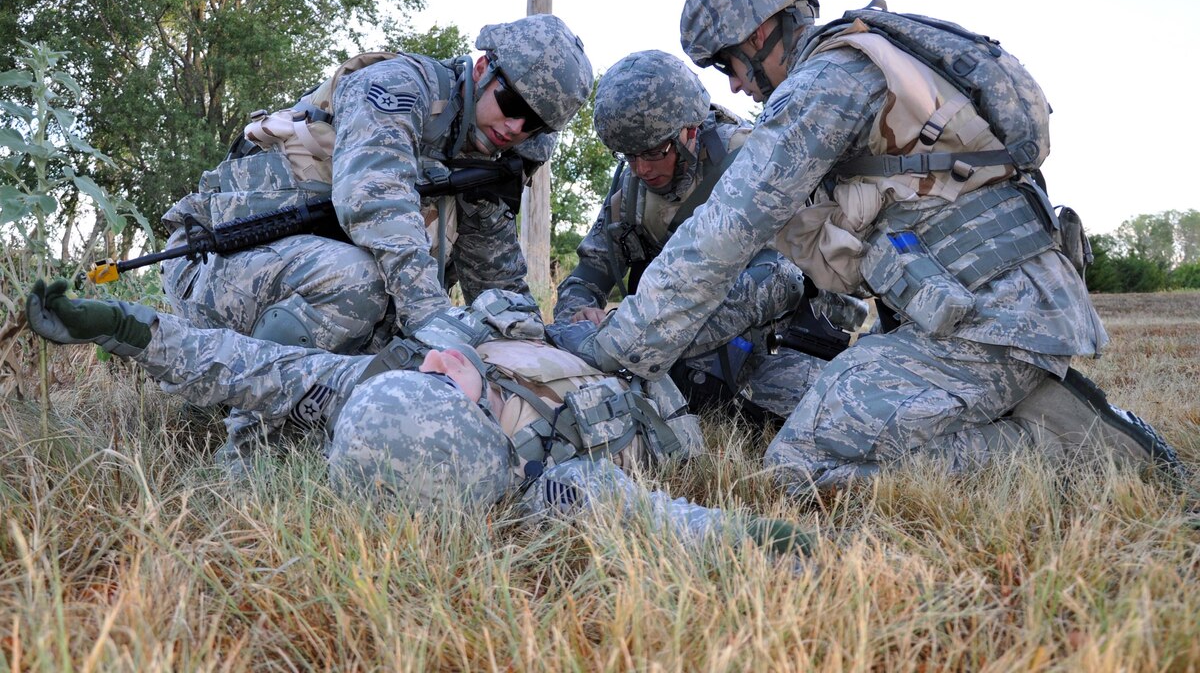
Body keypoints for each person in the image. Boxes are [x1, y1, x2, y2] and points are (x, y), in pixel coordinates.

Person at [548, 0, 1182, 494]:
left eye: (731, 63)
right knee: (821, 424)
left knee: (801, 468)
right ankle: (1029, 406)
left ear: (764, 31)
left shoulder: (823, 86)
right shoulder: (858, 68)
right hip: (984, 317)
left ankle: (1052, 453)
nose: (736, 87)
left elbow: (722, 233)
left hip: (985, 325)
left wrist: (616, 346)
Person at [25, 279, 810, 554]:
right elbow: (658, 519)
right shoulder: (548, 483)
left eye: (433, 374)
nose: (435, 361)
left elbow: (243, 365)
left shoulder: (380, 396)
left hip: (571, 335)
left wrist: (120, 327)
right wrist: (755, 536)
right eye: (445, 384)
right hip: (656, 379)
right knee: (733, 342)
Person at [160, 13, 593, 355]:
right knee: (367, 285)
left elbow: (496, 279)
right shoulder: (399, 87)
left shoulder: (483, 161)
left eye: (535, 124)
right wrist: (430, 316)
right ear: (482, 67)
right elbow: (372, 199)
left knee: (438, 346)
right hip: (215, 263)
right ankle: (253, 424)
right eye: (512, 102)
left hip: (298, 279)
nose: (516, 126)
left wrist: (541, 349)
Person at [555, 50, 868, 421]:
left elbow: (780, 279)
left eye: (656, 151)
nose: (642, 168)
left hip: (783, 334)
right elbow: (588, 274)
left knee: (811, 420)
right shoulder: (631, 190)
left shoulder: (751, 160)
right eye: (629, 154)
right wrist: (578, 314)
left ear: (691, 128)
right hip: (667, 344)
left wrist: (631, 332)